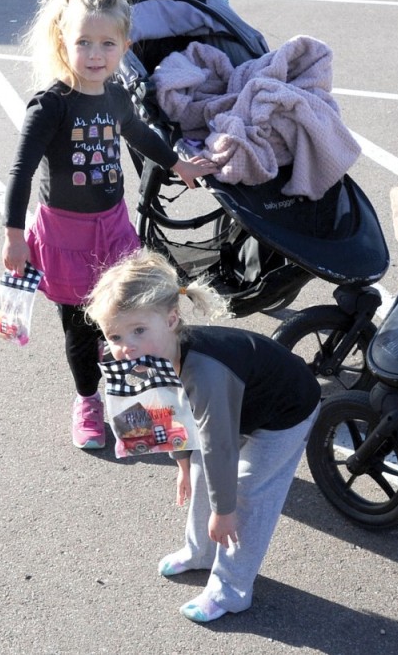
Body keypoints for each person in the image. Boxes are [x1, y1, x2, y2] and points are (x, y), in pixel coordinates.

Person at [1, 0, 209, 450]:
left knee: (131, 316)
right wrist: (14, 235)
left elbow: (138, 133)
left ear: (124, 46)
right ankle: (88, 402)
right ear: (63, 41)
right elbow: (20, 170)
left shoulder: (115, 95)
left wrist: (178, 162)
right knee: (80, 328)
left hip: (113, 228)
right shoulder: (50, 105)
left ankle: (136, 405)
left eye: (107, 44)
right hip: (65, 234)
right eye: (84, 42)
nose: (96, 54)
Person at [85, 250, 321, 624]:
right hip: (241, 405)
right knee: (197, 469)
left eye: (138, 330)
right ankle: (200, 552)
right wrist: (182, 465)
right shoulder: (148, 358)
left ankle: (231, 591)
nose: (125, 346)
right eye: (115, 335)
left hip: (285, 409)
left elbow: (219, 446)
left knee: (246, 494)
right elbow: (169, 416)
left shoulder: (207, 372)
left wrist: (224, 512)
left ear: (171, 319)